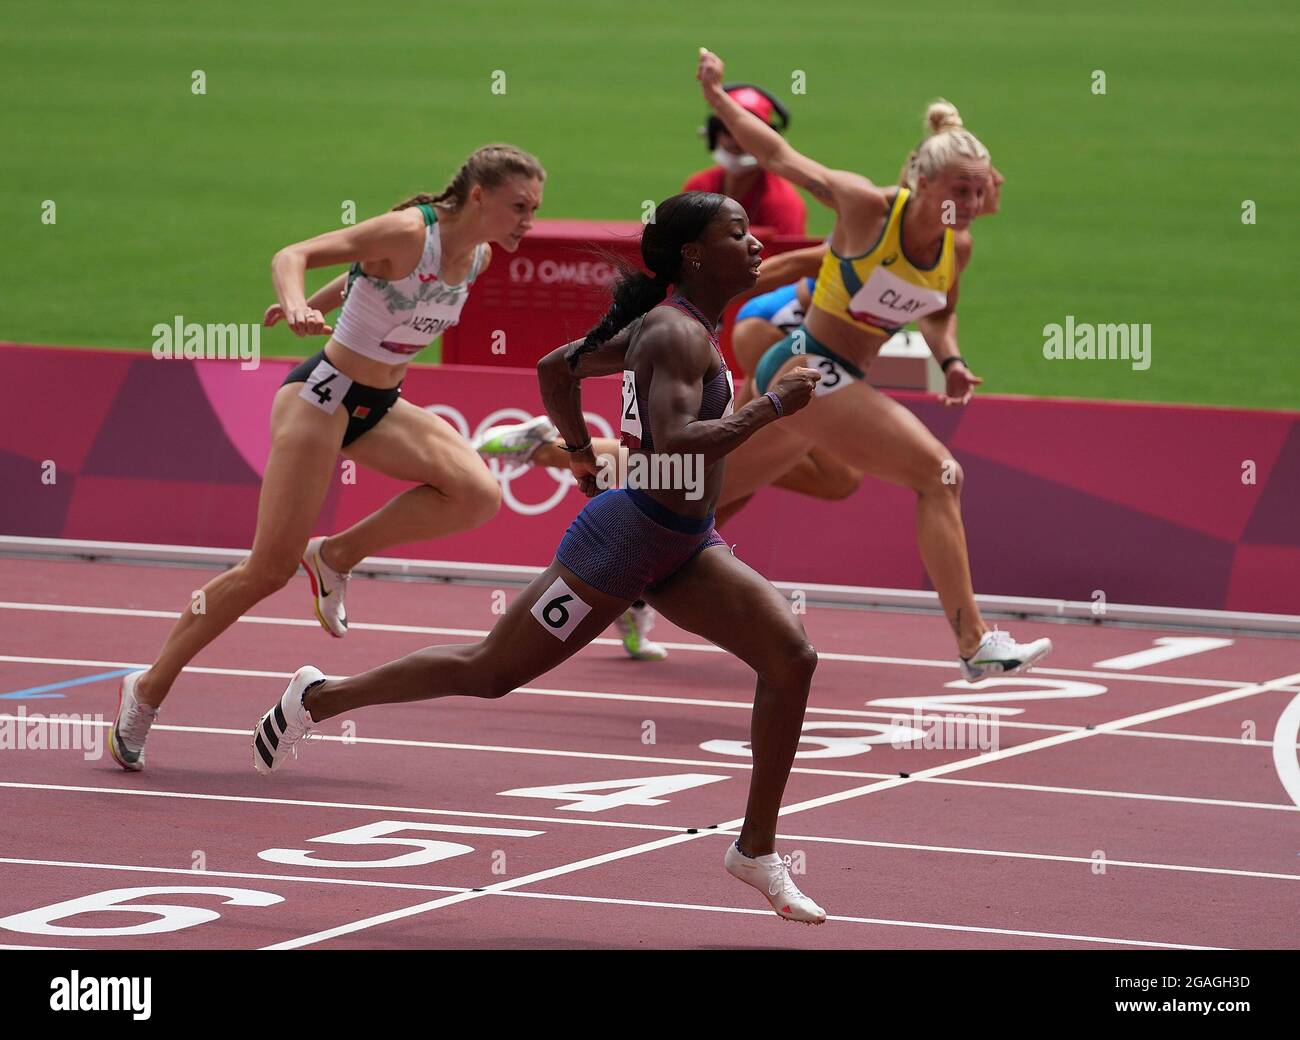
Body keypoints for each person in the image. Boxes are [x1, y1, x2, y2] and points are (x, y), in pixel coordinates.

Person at [251, 191, 829, 924]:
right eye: (738, 234)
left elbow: (557, 367)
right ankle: (320, 696)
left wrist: (585, 455)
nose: (756, 246)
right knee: (488, 671)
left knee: (791, 658)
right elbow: (680, 440)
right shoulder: (678, 336)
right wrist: (770, 408)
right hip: (624, 542)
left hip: (682, 542)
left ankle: (755, 850)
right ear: (692, 255)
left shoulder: (677, 325)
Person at [107, 145, 545, 772]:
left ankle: (335, 555)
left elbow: (371, 277)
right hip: (321, 399)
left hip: (381, 404)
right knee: (265, 570)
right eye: (519, 207)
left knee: (476, 494)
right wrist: (295, 303)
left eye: (534, 209)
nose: (528, 221)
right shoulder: (406, 231)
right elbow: (294, 253)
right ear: (479, 197)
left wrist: (334, 296)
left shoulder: (474, 254)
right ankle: (146, 690)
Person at [697, 47, 1051, 681]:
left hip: (834, 380)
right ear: (921, 180)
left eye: (978, 191)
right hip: (805, 363)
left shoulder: (956, 246)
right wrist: (719, 98)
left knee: (702, 487)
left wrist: (951, 359)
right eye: (957, 190)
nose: (968, 202)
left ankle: (569, 464)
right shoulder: (866, 208)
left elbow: (939, 311)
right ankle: (973, 643)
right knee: (940, 475)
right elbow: (780, 158)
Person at [682, 83, 806, 236]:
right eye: (727, 129)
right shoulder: (699, 186)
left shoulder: (783, 202)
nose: (736, 140)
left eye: (747, 133)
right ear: (714, 133)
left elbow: (788, 259)